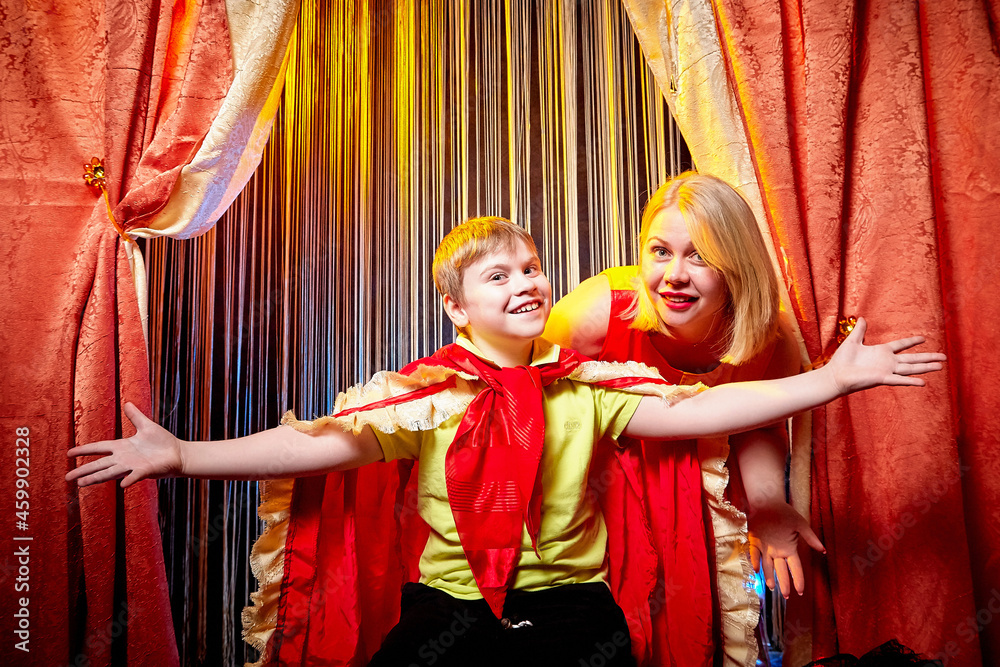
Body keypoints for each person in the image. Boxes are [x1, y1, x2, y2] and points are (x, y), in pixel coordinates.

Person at [66, 217, 943, 667]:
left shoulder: (592, 389)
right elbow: (314, 447)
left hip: (572, 614)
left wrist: (831, 379)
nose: (525, 282)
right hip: (449, 614)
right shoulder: (428, 400)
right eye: (500, 275)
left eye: (532, 267)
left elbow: (705, 411)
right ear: (458, 307)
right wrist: (182, 453)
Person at [543, 171, 828, 664]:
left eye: (700, 254)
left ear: (737, 265)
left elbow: (756, 426)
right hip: (598, 499)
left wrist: (766, 504)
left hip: (697, 511)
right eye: (660, 251)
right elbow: (524, 398)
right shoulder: (596, 313)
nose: (674, 274)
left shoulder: (770, 337)